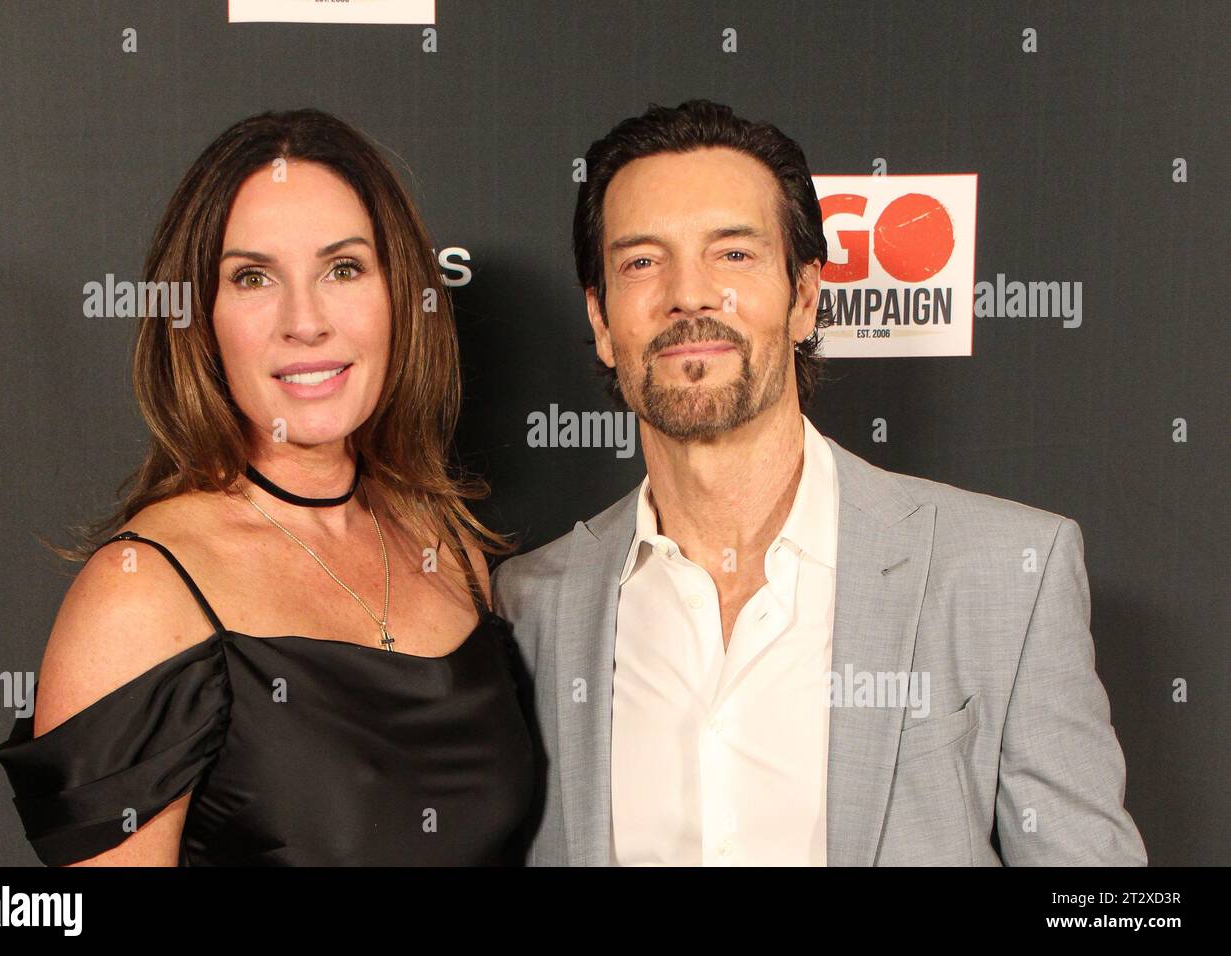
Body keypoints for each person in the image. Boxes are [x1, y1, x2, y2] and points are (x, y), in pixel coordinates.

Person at [491, 99, 1147, 866]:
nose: (690, 295)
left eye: (733, 255)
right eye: (643, 261)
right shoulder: (532, 604)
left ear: (805, 297)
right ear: (603, 321)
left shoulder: (1005, 574)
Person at [0, 109, 535, 866]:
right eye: (253, 278)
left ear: (399, 295)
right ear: (199, 319)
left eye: (343, 269)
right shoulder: (143, 593)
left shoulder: (450, 554)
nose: (305, 322)